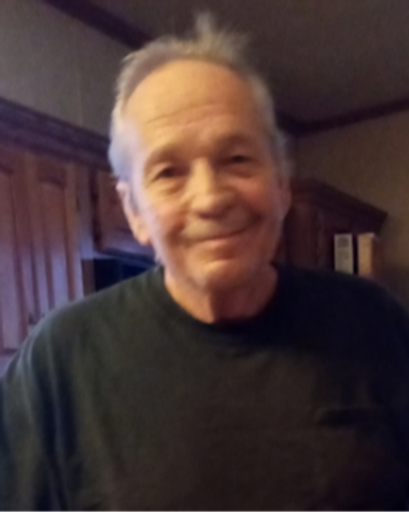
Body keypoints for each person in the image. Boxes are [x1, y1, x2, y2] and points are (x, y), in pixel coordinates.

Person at [2, 16, 409, 512]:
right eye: (168, 172)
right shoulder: (57, 363)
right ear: (133, 210)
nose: (211, 198)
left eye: (237, 159)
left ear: (281, 183)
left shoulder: (375, 322)